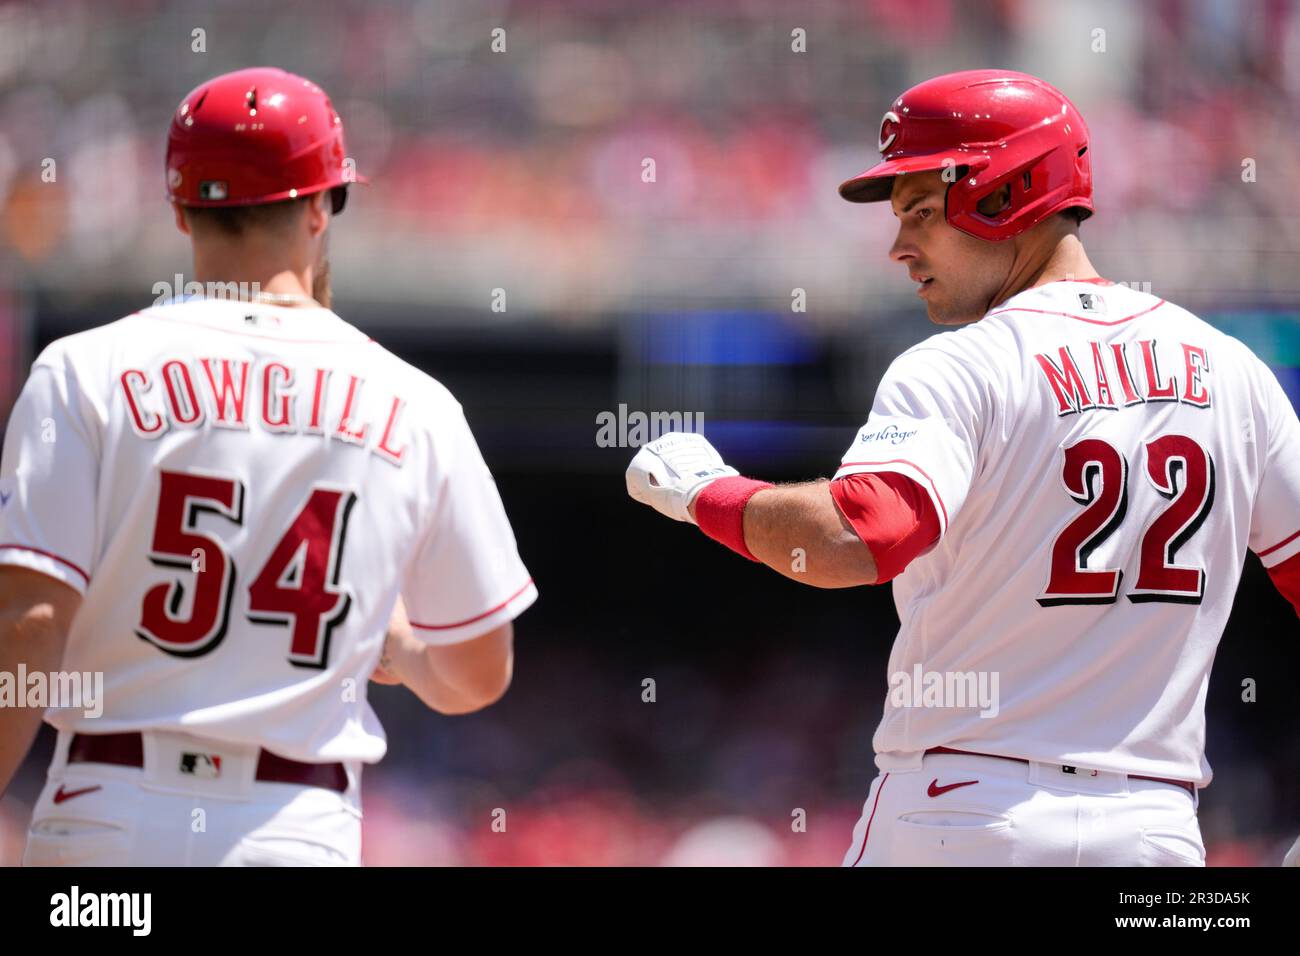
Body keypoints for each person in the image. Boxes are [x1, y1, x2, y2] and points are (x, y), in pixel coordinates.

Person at [626, 69, 1300, 866]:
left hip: (963, 815)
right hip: (1154, 829)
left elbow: (858, 536)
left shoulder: (963, 364)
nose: (898, 245)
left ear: (1002, 192)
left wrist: (705, 492)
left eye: (918, 210)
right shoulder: (1233, 370)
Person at [0, 66, 536, 866]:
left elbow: (30, 625)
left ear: (181, 209)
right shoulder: (417, 404)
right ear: (323, 205)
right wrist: (395, 649)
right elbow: (479, 672)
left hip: (106, 821)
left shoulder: (85, 368)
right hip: (295, 828)